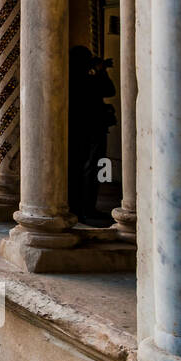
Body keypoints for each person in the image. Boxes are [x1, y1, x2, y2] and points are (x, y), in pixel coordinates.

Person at [68, 45, 117, 226]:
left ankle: (78, 207)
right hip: (91, 130)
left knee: (78, 169)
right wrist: (100, 72)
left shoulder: (69, 76)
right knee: (93, 169)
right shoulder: (84, 78)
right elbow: (109, 90)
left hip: (75, 129)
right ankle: (85, 208)